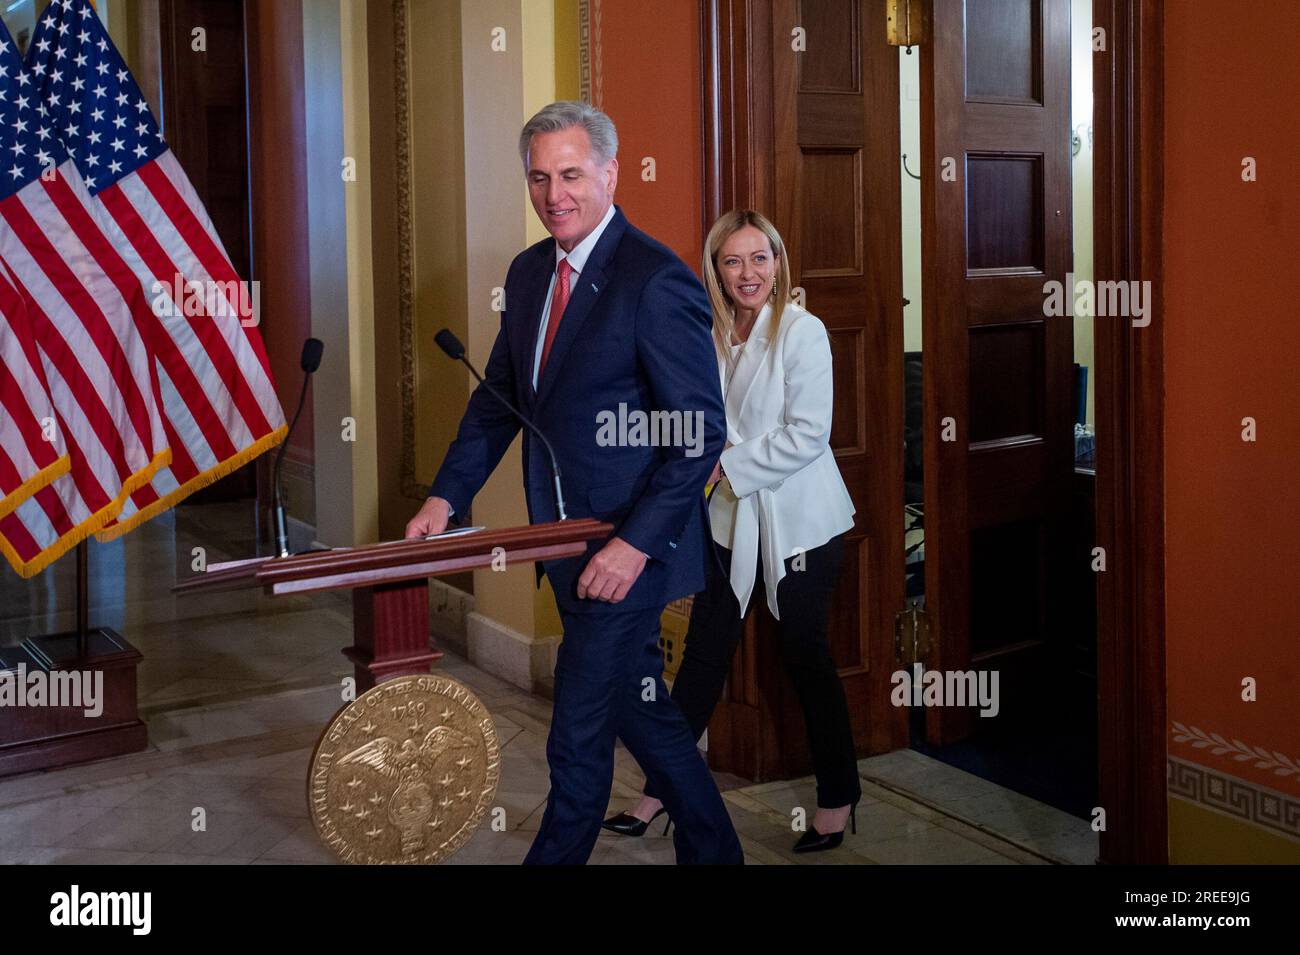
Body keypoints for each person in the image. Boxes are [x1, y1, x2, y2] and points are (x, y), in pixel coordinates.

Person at [406, 101, 742, 865]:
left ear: (610, 173)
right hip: (563, 544)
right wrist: (443, 496)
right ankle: (718, 853)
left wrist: (630, 546)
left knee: (578, 740)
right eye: (539, 177)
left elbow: (699, 433)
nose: (554, 193)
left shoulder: (655, 278)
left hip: (631, 552)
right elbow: (498, 404)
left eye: (570, 174)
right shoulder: (528, 275)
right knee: (643, 710)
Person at [601, 210, 861, 853]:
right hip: (727, 518)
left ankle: (838, 797)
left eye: (760, 259)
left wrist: (723, 463)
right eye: (732, 261)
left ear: (778, 264)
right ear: (715, 269)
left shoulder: (804, 331)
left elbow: (809, 434)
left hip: (801, 521)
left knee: (806, 654)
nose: (748, 274)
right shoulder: (707, 334)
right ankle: (660, 790)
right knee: (702, 657)